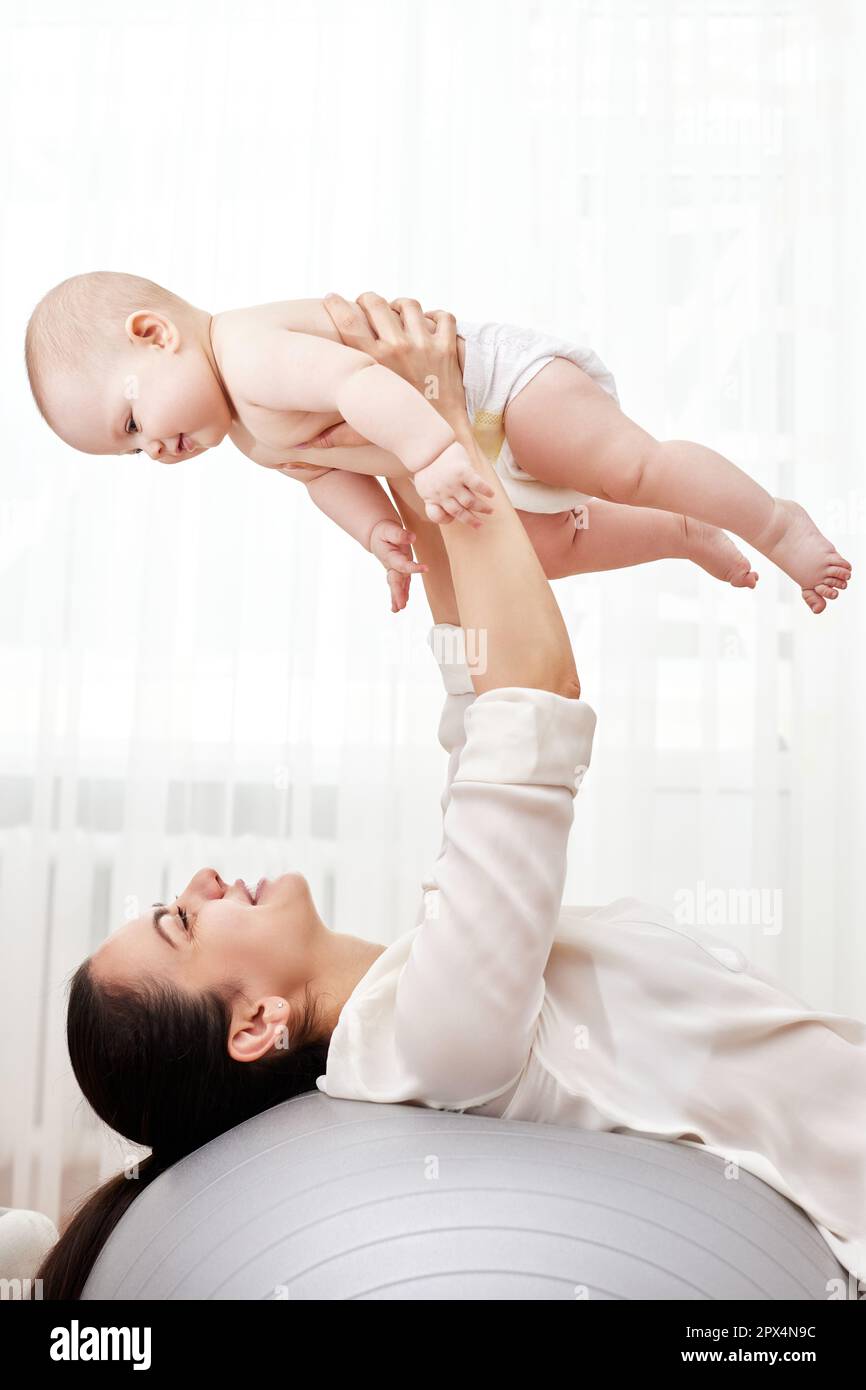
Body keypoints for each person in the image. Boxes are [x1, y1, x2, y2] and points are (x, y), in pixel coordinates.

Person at [32, 302, 864, 1302]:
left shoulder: (406, 1005)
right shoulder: (425, 1039)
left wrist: (412, 472)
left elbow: (482, 721)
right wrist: (439, 426)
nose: (202, 882)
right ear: (252, 1024)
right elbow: (528, 717)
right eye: (178, 918)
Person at [24, 273, 850, 613]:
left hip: (498, 389)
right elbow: (321, 472)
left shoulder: (247, 353)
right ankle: (682, 534)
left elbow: (361, 387)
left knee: (631, 468)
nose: (152, 454)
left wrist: (430, 451)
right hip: (462, 451)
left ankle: (772, 521)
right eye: (130, 456)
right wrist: (376, 533)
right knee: (544, 553)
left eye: (131, 425)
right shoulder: (246, 434)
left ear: (153, 333)